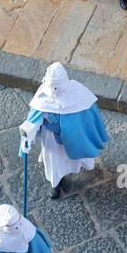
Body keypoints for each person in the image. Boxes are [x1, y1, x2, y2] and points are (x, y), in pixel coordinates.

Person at [19, 62, 109, 200]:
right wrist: (27, 139)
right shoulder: (43, 99)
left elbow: (88, 117)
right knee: (53, 163)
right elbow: (33, 121)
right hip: (51, 140)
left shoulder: (78, 94)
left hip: (75, 137)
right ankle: (55, 184)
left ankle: (76, 167)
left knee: (75, 159)